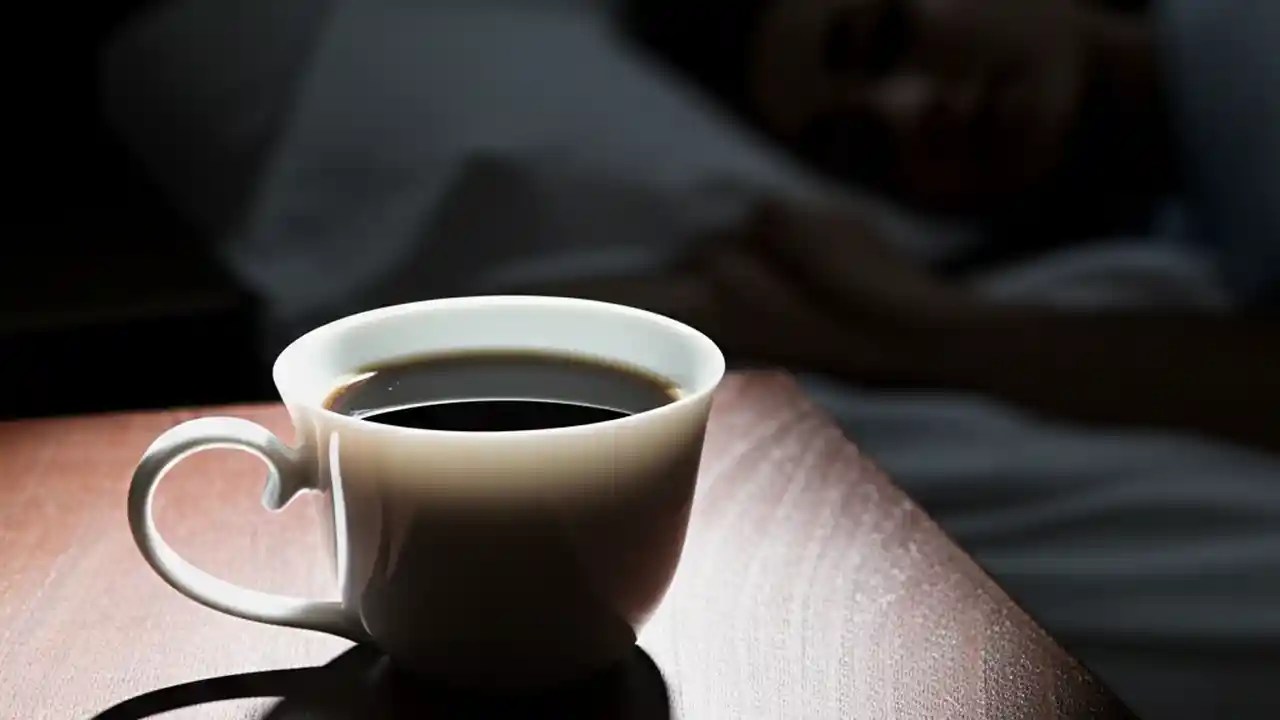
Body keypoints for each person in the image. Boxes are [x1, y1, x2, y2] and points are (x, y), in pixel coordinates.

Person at [576, 0, 1280, 451]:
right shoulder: (1158, 216)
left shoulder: (1244, 52)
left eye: (885, 36)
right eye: (862, 147)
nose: (911, 111)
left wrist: (924, 328)